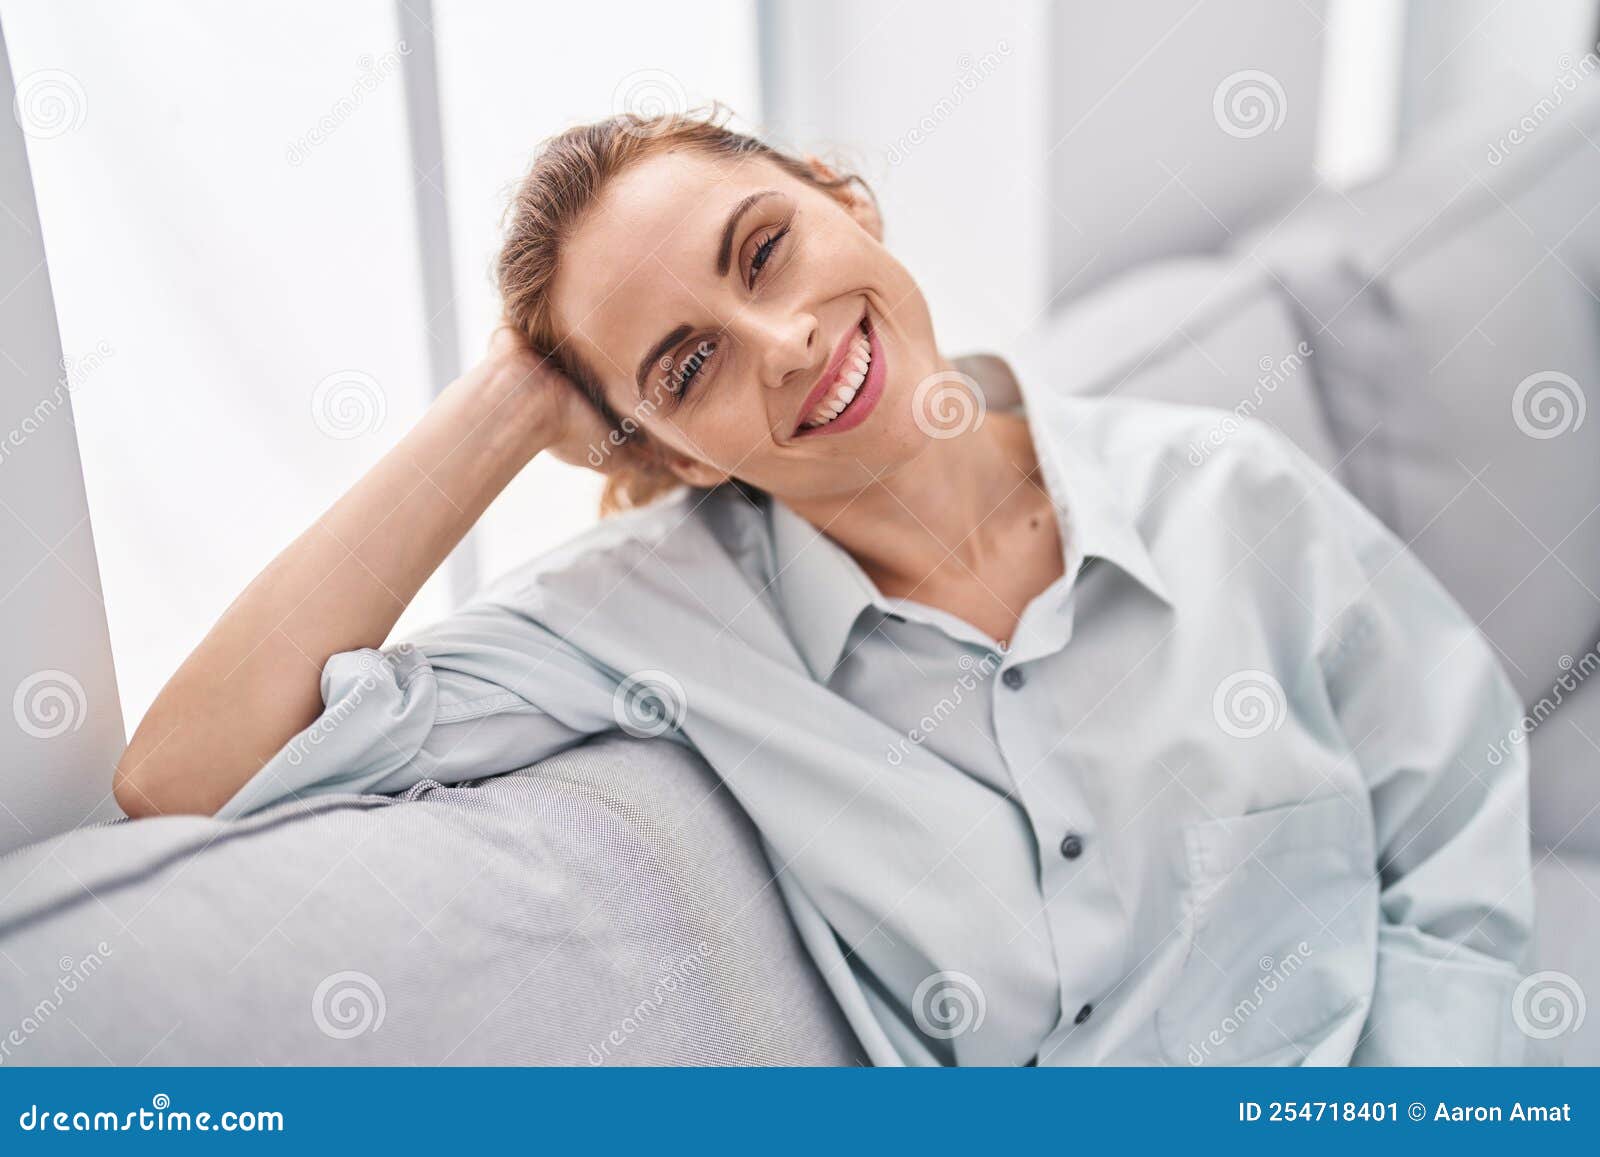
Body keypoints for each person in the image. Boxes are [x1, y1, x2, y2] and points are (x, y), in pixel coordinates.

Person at [113, 109, 1533, 1067]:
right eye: (687, 365)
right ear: (658, 448)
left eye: (764, 250)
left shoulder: (1231, 496)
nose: (782, 342)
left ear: (842, 203)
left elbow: (1457, 835)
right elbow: (184, 770)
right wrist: (504, 402)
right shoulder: (651, 617)